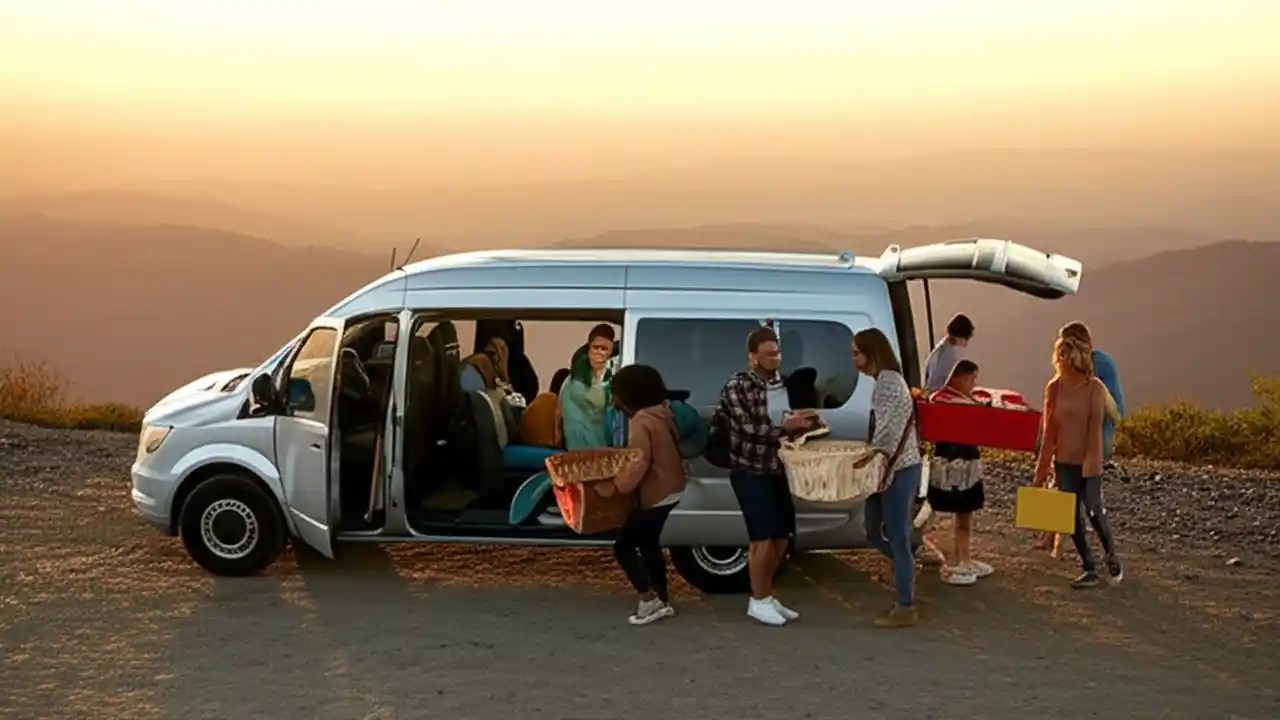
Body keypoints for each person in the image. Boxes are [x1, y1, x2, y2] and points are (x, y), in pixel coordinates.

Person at [715, 326, 814, 626]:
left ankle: (767, 595)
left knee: (782, 535)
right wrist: (787, 427)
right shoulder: (738, 386)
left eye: (777, 354)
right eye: (768, 354)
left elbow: (779, 419)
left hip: (776, 468)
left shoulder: (780, 385)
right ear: (752, 356)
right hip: (749, 470)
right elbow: (747, 428)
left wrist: (802, 422)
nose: (775, 359)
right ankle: (757, 600)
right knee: (761, 537)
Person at [1033, 334, 1124, 588]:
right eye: (1060, 353)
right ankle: (1089, 567)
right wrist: (1041, 470)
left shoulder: (1094, 388)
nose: (1062, 358)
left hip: (1088, 461)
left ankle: (1111, 556)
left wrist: (1091, 465)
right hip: (1064, 462)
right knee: (1070, 518)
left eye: (1067, 353)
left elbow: (1094, 429)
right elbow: (1049, 431)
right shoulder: (1054, 388)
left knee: (1094, 511)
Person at [852, 328, 923, 628]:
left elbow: (886, 436)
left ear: (872, 353)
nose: (853, 359)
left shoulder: (887, 384)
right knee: (873, 531)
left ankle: (906, 605)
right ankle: (905, 564)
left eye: (856, 352)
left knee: (894, 534)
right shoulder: (886, 381)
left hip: (896, 469)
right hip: (894, 467)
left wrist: (866, 461)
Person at [607, 364, 687, 625]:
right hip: (672, 490)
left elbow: (638, 462)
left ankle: (649, 600)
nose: (613, 399)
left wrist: (618, 486)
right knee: (649, 544)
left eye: (616, 393)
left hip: (655, 493)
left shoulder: (641, 421)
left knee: (624, 546)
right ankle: (661, 598)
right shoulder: (663, 414)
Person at [926, 360, 993, 586]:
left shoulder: (963, 400)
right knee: (953, 512)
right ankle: (956, 560)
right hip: (952, 464)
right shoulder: (945, 399)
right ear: (960, 377)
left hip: (967, 461)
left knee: (966, 514)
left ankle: (964, 557)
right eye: (971, 379)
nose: (973, 384)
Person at [559, 324, 616, 450]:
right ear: (589, 348)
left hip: (602, 445)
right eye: (596, 347)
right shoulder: (573, 380)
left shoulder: (612, 373)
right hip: (579, 443)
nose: (599, 352)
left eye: (604, 348)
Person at [923, 313, 975, 393]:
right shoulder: (948, 354)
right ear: (959, 337)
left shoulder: (943, 348)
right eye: (966, 339)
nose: (966, 344)